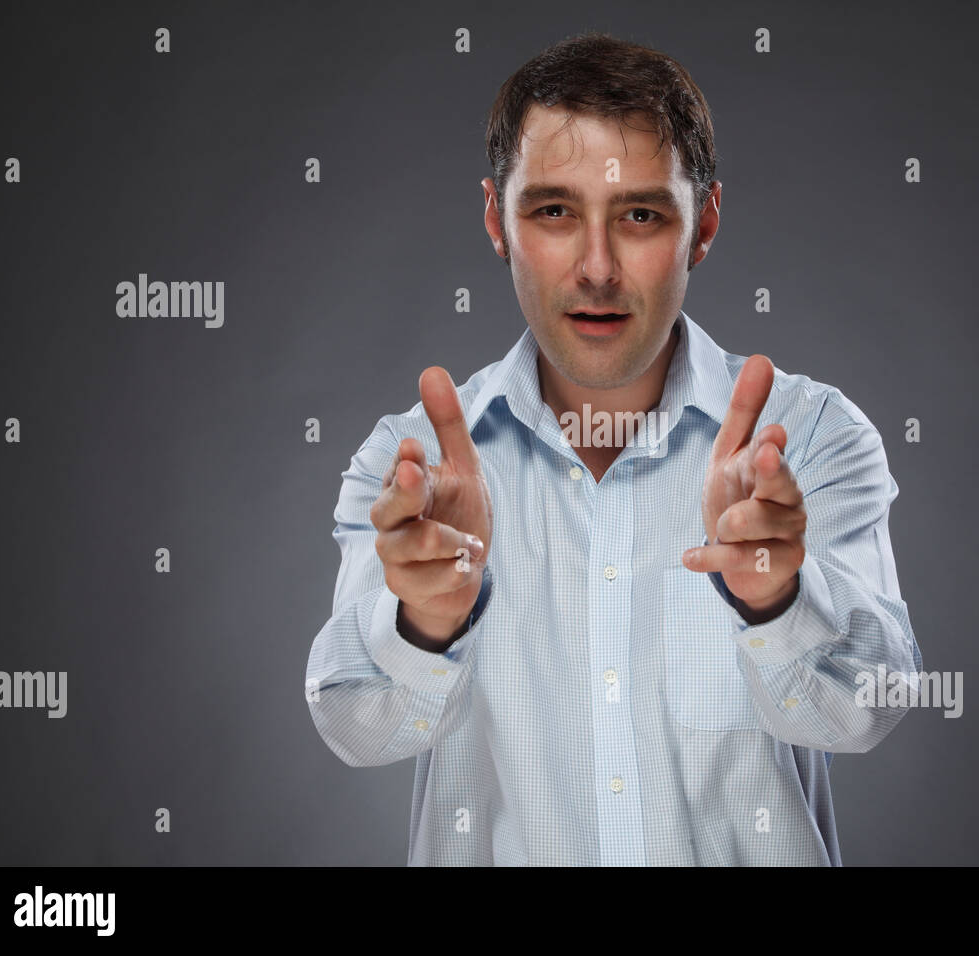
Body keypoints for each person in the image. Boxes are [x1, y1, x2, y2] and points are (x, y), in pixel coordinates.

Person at [305, 31, 922, 865]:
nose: (596, 268)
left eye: (640, 214)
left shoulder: (810, 438)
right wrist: (424, 623)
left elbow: (868, 710)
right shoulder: (409, 467)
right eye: (553, 211)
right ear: (497, 221)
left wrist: (775, 601)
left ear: (702, 225)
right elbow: (351, 726)